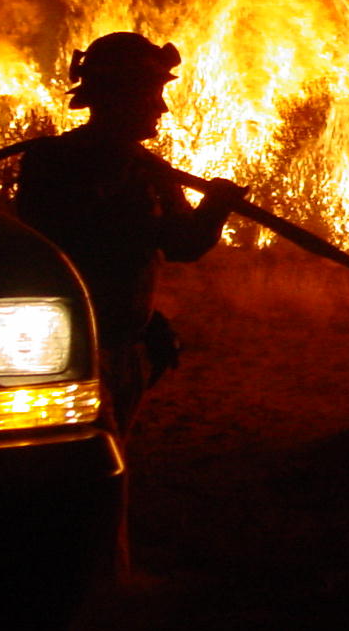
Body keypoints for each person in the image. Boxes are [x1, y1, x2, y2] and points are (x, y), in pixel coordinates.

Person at [14, 33, 243, 430]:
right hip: (68, 351)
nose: (161, 108)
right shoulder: (54, 163)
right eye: (149, 94)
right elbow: (54, 252)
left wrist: (215, 207)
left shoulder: (149, 169)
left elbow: (183, 244)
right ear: (118, 96)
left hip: (124, 346)